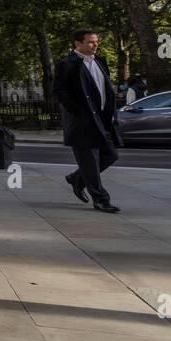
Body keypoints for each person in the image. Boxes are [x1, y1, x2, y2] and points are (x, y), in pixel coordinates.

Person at [53, 29, 122, 212]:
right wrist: (76, 111)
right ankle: (101, 200)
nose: (95, 44)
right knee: (90, 162)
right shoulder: (67, 64)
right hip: (82, 122)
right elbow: (59, 91)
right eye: (90, 42)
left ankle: (77, 178)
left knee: (110, 155)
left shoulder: (100, 61)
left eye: (96, 41)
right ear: (77, 44)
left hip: (101, 120)